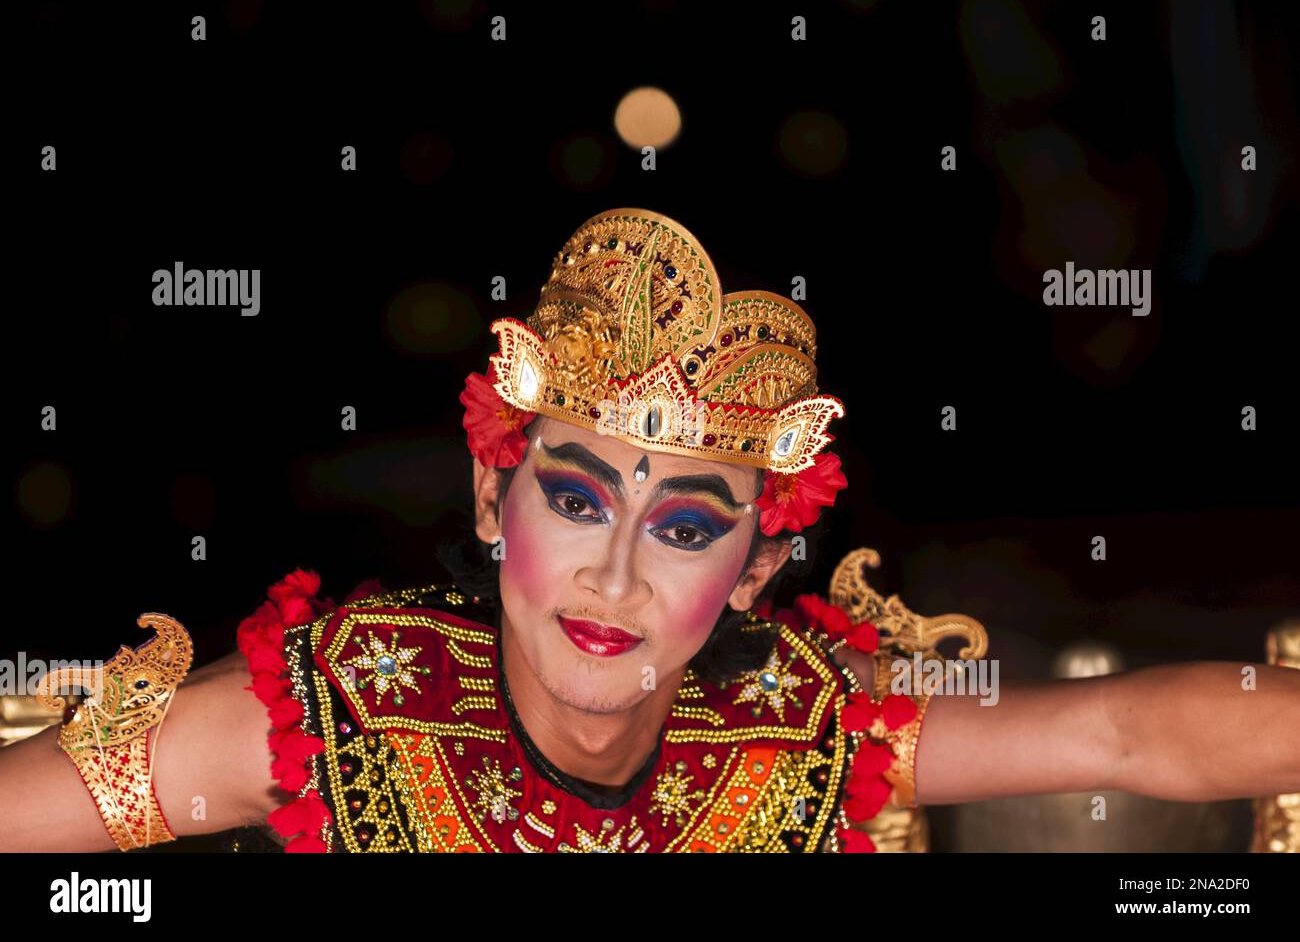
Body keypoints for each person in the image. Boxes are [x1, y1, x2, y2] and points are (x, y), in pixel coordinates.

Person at [2, 208, 1297, 853]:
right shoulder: (330, 713)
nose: (613, 573)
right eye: (573, 499)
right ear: (489, 501)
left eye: (684, 527)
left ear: (753, 572)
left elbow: (1124, 730)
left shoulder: (792, 727)